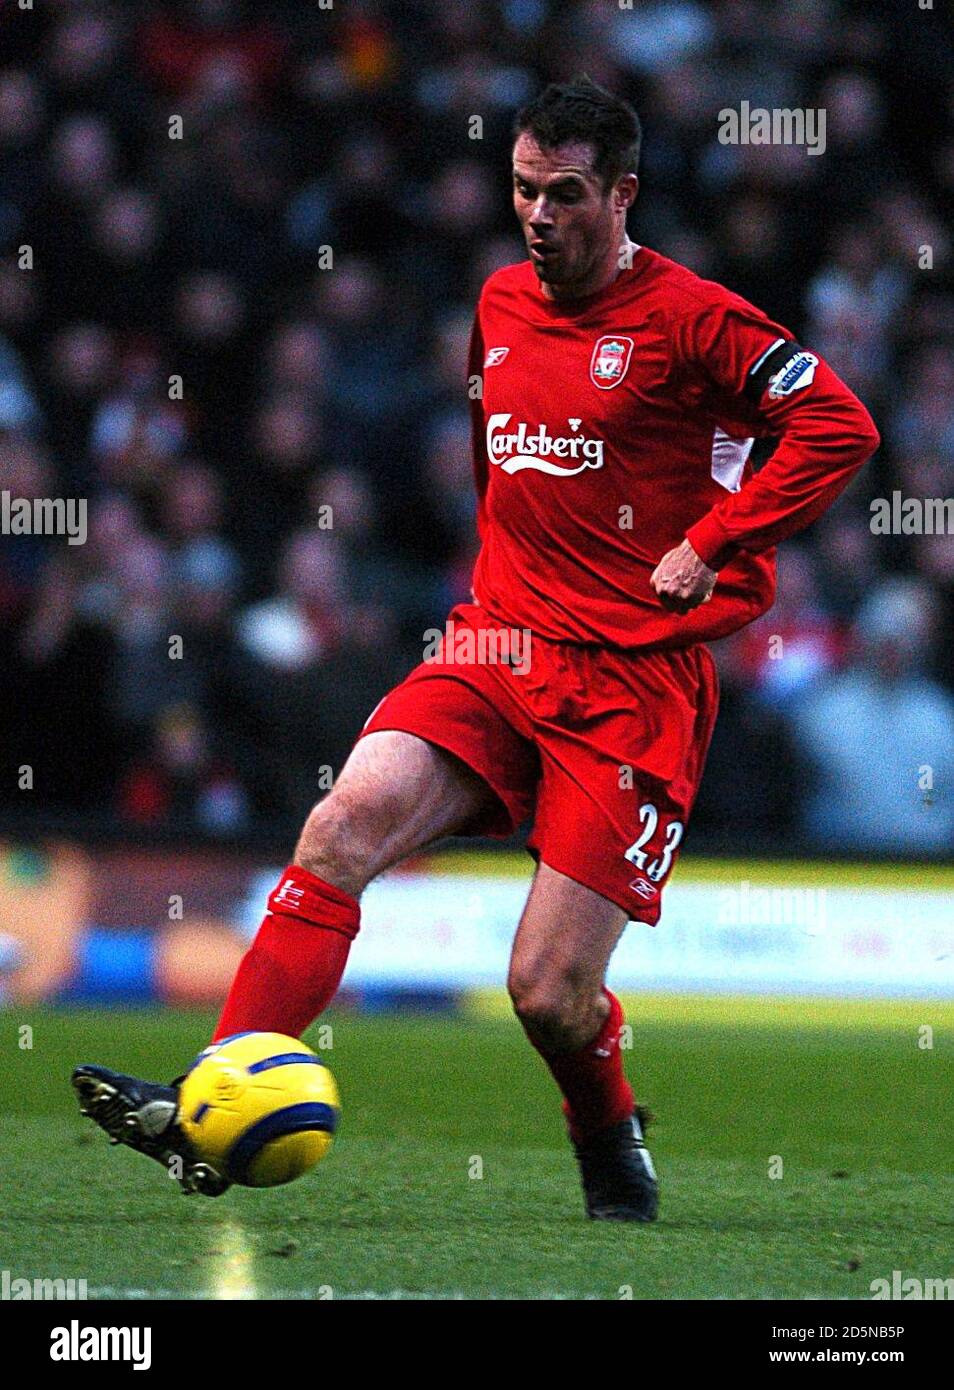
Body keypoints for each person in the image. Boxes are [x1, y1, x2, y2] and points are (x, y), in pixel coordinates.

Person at [73, 76, 880, 1221]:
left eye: (563, 194)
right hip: (498, 642)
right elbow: (497, 461)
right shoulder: (501, 301)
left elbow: (840, 424)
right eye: (521, 190)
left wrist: (713, 538)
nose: (537, 216)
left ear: (623, 194)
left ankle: (607, 1133)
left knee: (546, 992)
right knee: (339, 825)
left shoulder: (695, 319)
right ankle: (212, 1091)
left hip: (631, 683)